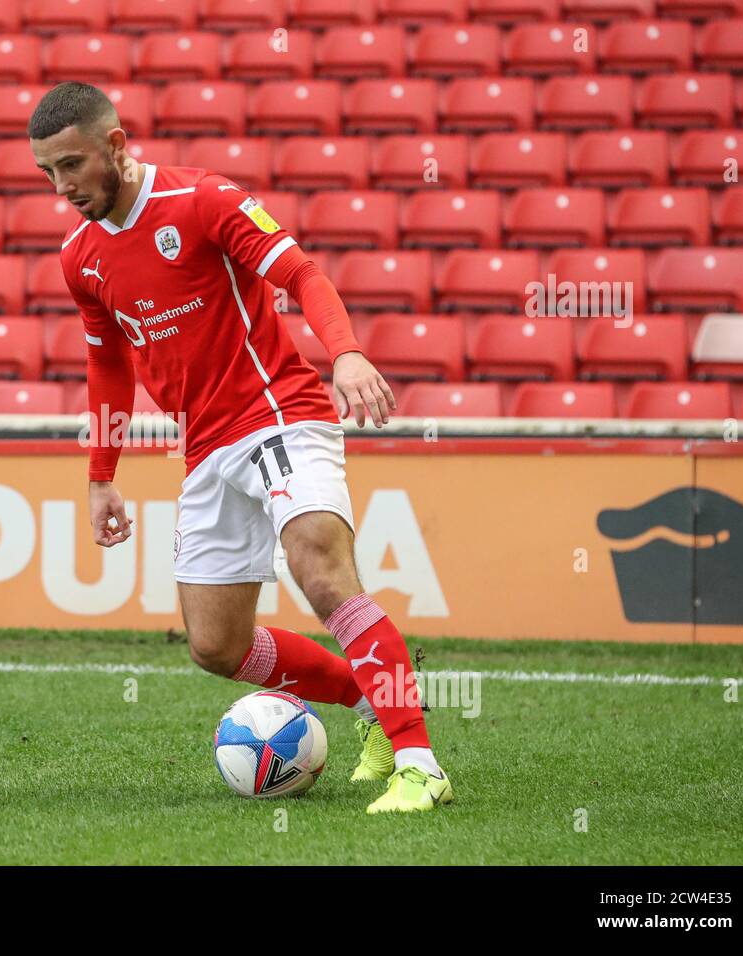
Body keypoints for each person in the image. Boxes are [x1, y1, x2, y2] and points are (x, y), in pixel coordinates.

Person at [29, 82, 451, 813]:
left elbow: (301, 274)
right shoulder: (80, 258)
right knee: (216, 648)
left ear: (117, 147)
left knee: (320, 570)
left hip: (281, 415)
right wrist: (102, 474)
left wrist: (345, 353)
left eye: (72, 165)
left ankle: (420, 765)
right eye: (48, 173)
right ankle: (370, 701)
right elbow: (107, 364)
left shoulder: (203, 201)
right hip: (207, 449)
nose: (63, 186)